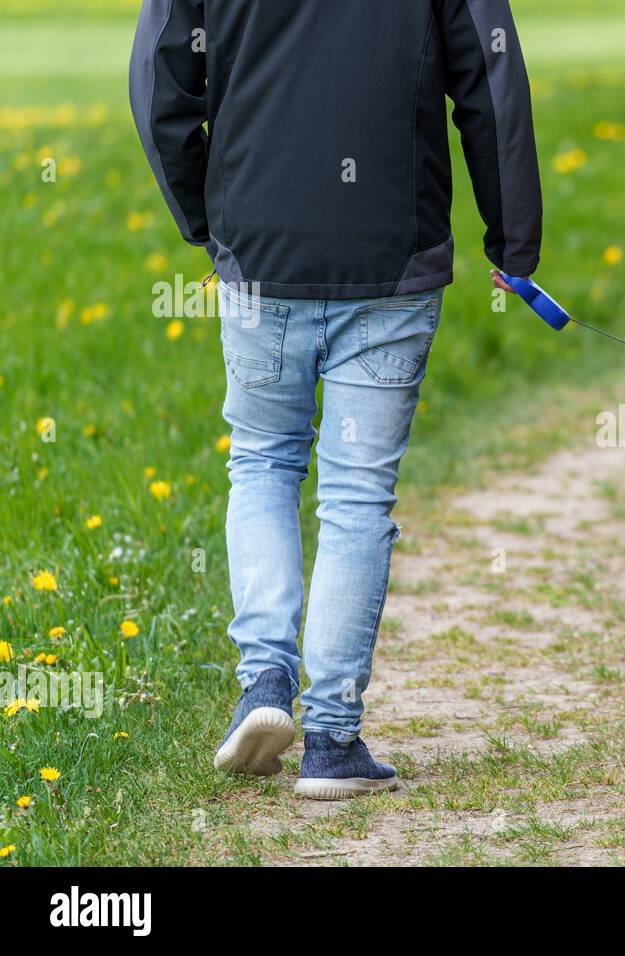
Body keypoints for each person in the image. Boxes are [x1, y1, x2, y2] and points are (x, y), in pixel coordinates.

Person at [128, 0, 541, 799]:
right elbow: (491, 80)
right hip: (391, 253)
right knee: (356, 495)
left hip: (258, 244)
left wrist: (204, 216)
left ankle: (264, 687)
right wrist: (512, 239)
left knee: (263, 462)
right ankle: (333, 740)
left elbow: (161, 80)